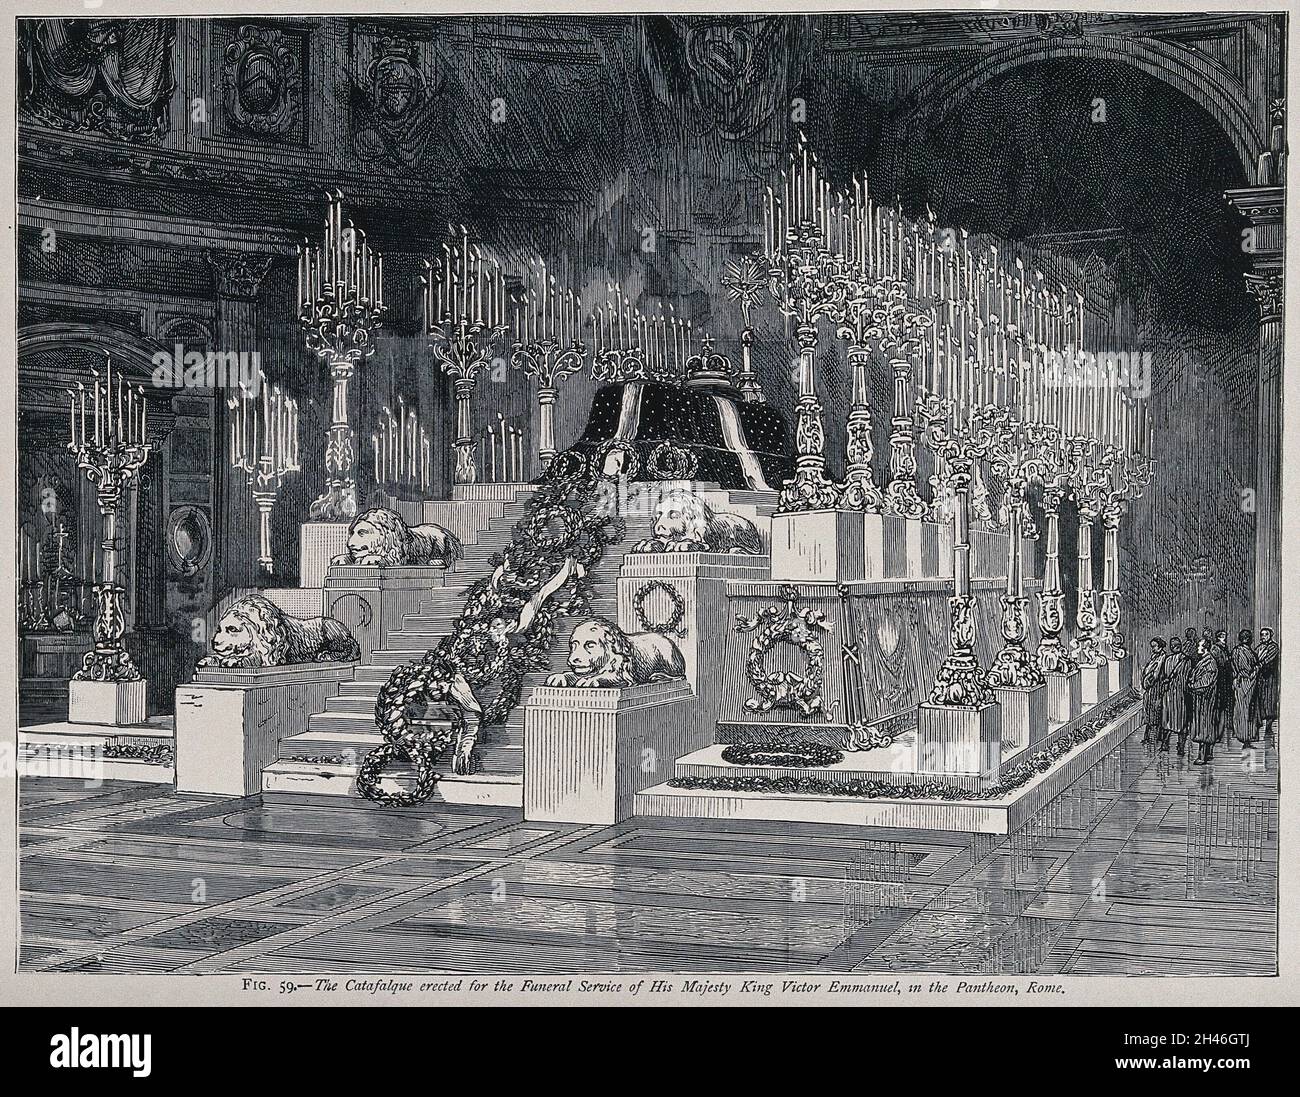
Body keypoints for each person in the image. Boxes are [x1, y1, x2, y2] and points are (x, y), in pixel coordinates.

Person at [1187, 637, 1220, 765]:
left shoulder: (1210, 662)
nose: (1197, 648)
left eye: (1199, 646)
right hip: (1201, 699)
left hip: (1206, 699)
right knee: (1204, 726)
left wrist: (1192, 686)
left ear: (1205, 647)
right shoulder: (1204, 661)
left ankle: (1202, 756)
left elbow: (1205, 682)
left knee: (1204, 727)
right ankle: (1207, 754)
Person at [1160, 637, 1192, 754]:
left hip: (1169, 694)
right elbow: (1187, 678)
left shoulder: (1167, 660)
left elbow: (1163, 676)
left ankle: (1165, 744)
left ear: (1171, 647)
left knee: (1167, 720)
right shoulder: (1186, 661)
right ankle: (1181, 747)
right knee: (1181, 721)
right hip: (1181, 694)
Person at [1231, 629, 1260, 746]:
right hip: (1247, 682)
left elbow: (1234, 668)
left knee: (1241, 709)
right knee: (1246, 710)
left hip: (1239, 682)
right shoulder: (1246, 652)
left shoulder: (1235, 651)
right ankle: (1246, 736)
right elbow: (1247, 670)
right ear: (1249, 639)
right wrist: (1257, 668)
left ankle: (1242, 734)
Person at [1140, 637, 1167, 745]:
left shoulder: (1162, 657)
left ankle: (1154, 737)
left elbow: (1155, 674)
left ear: (1160, 646)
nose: (1152, 649)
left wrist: (1147, 682)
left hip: (1156, 688)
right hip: (1151, 689)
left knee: (1155, 712)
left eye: (1154, 646)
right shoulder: (1155, 656)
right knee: (1149, 711)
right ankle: (1149, 736)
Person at [1253, 627, 1279, 739]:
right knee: (1260, 702)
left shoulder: (1274, 647)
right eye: (1262, 635)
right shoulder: (1259, 647)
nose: (1263, 637)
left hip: (1270, 678)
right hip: (1261, 679)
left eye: (1266, 634)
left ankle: (1268, 728)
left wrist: (1258, 665)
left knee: (1269, 702)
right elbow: (1254, 657)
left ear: (1270, 635)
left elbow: (1266, 660)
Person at [1212, 629, 1233, 743]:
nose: (1224, 638)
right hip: (1219, 680)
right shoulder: (1216, 648)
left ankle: (1220, 734)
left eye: (1225, 636)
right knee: (1218, 708)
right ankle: (1217, 734)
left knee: (1223, 708)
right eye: (1222, 636)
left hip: (1225, 680)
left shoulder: (1225, 648)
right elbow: (1220, 662)